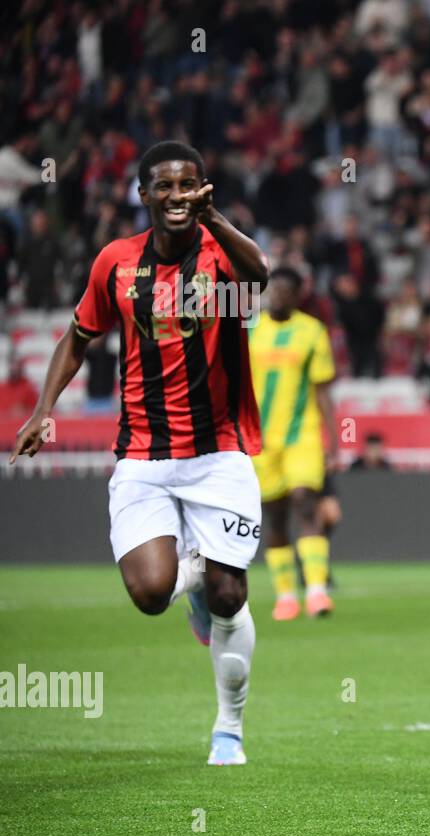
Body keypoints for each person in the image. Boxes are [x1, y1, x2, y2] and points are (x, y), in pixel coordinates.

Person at [8, 140, 269, 765]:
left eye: (189, 185)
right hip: (144, 457)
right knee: (152, 595)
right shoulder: (116, 265)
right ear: (143, 194)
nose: (177, 196)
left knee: (231, 594)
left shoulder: (220, 259)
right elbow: (78, 337)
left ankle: (229, 727)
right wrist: (44, 410)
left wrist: (217, 220)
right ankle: (195, 582)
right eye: (165, 187)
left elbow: (261, 276)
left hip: (220, 452)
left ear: (202, 190)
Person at [248, 266, 337, 621]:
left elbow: (324, 391)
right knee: (276, 515)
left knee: (304, 501)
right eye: (275, 290)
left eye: (287, 291)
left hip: (302, 436)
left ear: (299, 296)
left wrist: (335, 441)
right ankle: (286, 595)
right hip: (260, 439)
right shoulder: (249, 328)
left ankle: (316, 591)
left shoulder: (312, 331)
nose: (279, 296)